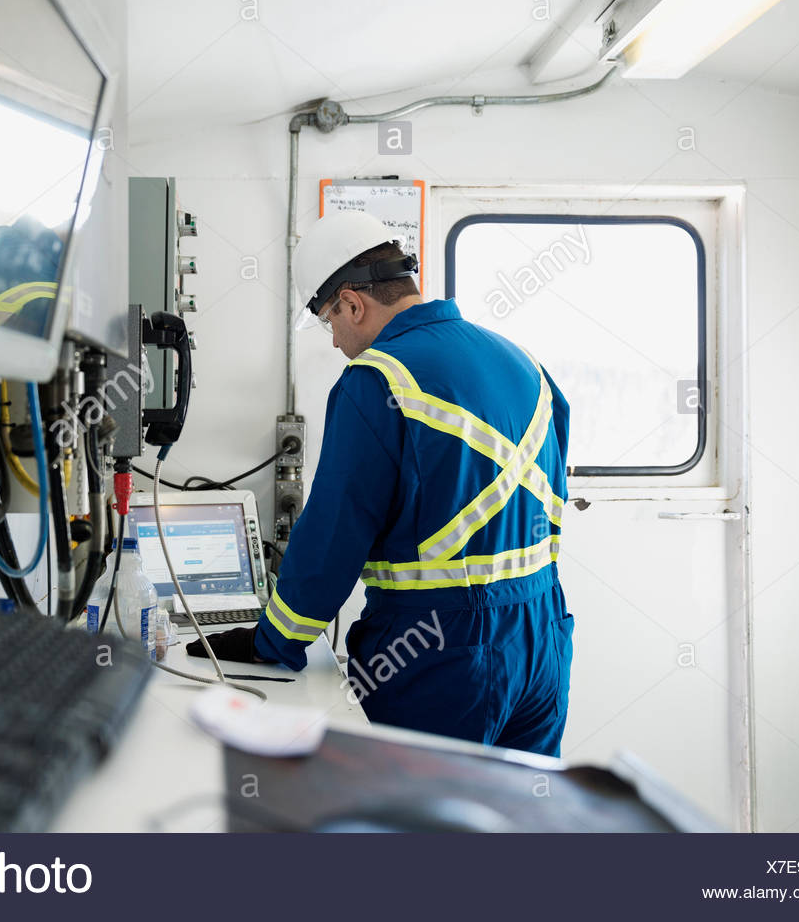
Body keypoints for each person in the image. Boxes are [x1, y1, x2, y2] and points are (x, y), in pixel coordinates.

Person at [187, 210, 575, 756]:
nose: (336, 339)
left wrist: (272, 641)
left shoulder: (377, 379)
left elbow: (331, 539)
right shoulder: (524, 362)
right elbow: (552, 495)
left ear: (352, 302)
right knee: (519, 818)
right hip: (541, 637)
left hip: (438, 652)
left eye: (329, 320)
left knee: (419, 825)